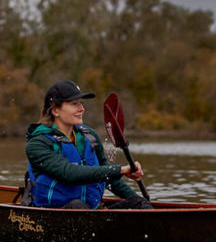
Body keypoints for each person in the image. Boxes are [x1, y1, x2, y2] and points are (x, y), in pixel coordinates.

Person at [25, 80, 153, 209]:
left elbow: (108, 179)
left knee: (139, 203)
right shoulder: (37, 144)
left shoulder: (90, 136)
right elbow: (69, 173)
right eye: (74, 104)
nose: (81, 109)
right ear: (56, 110)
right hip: (54, 214)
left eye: (81, 103)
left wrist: (139, 201)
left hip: (91, 214)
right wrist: (120, 170)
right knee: (77, 206)